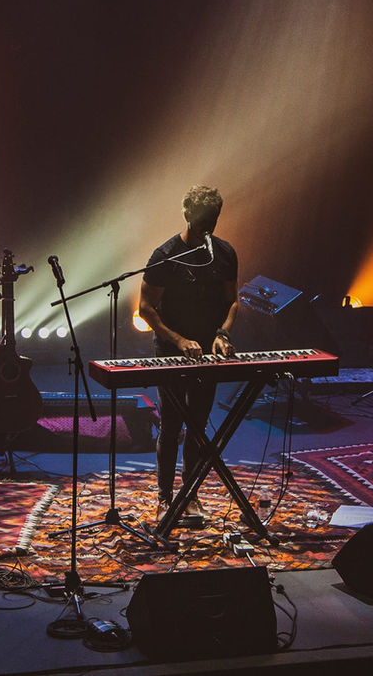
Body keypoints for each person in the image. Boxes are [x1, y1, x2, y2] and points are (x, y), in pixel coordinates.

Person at [138, 185, 238, 523]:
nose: (207, 227)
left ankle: (190, 494)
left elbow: (232, 300)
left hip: (206, 353)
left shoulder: (224, 253)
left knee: (197, 426)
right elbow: (146, 308)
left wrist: (222, 333)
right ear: (186, 214)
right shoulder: (165, 255)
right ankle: (165, 497)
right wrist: (179, 340)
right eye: (201, 220)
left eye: (212, 220)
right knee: (171, 425)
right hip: (171, 350)